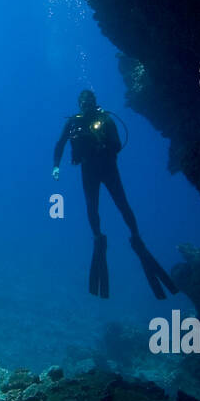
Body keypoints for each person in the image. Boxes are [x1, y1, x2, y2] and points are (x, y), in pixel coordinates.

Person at [53, 88, 177, 299]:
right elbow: (60, 144)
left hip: (107, 168)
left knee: (122, 204)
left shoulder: (105, 119)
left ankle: (135, 236)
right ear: (79, 104)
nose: (87, 105)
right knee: (92, 207)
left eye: (89, 101)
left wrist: (101, 145)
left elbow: (118, 144)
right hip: (89, 170)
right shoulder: (73, 123)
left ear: (94, 102)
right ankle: (98, 237)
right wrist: (56, 166)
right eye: (84, 102)